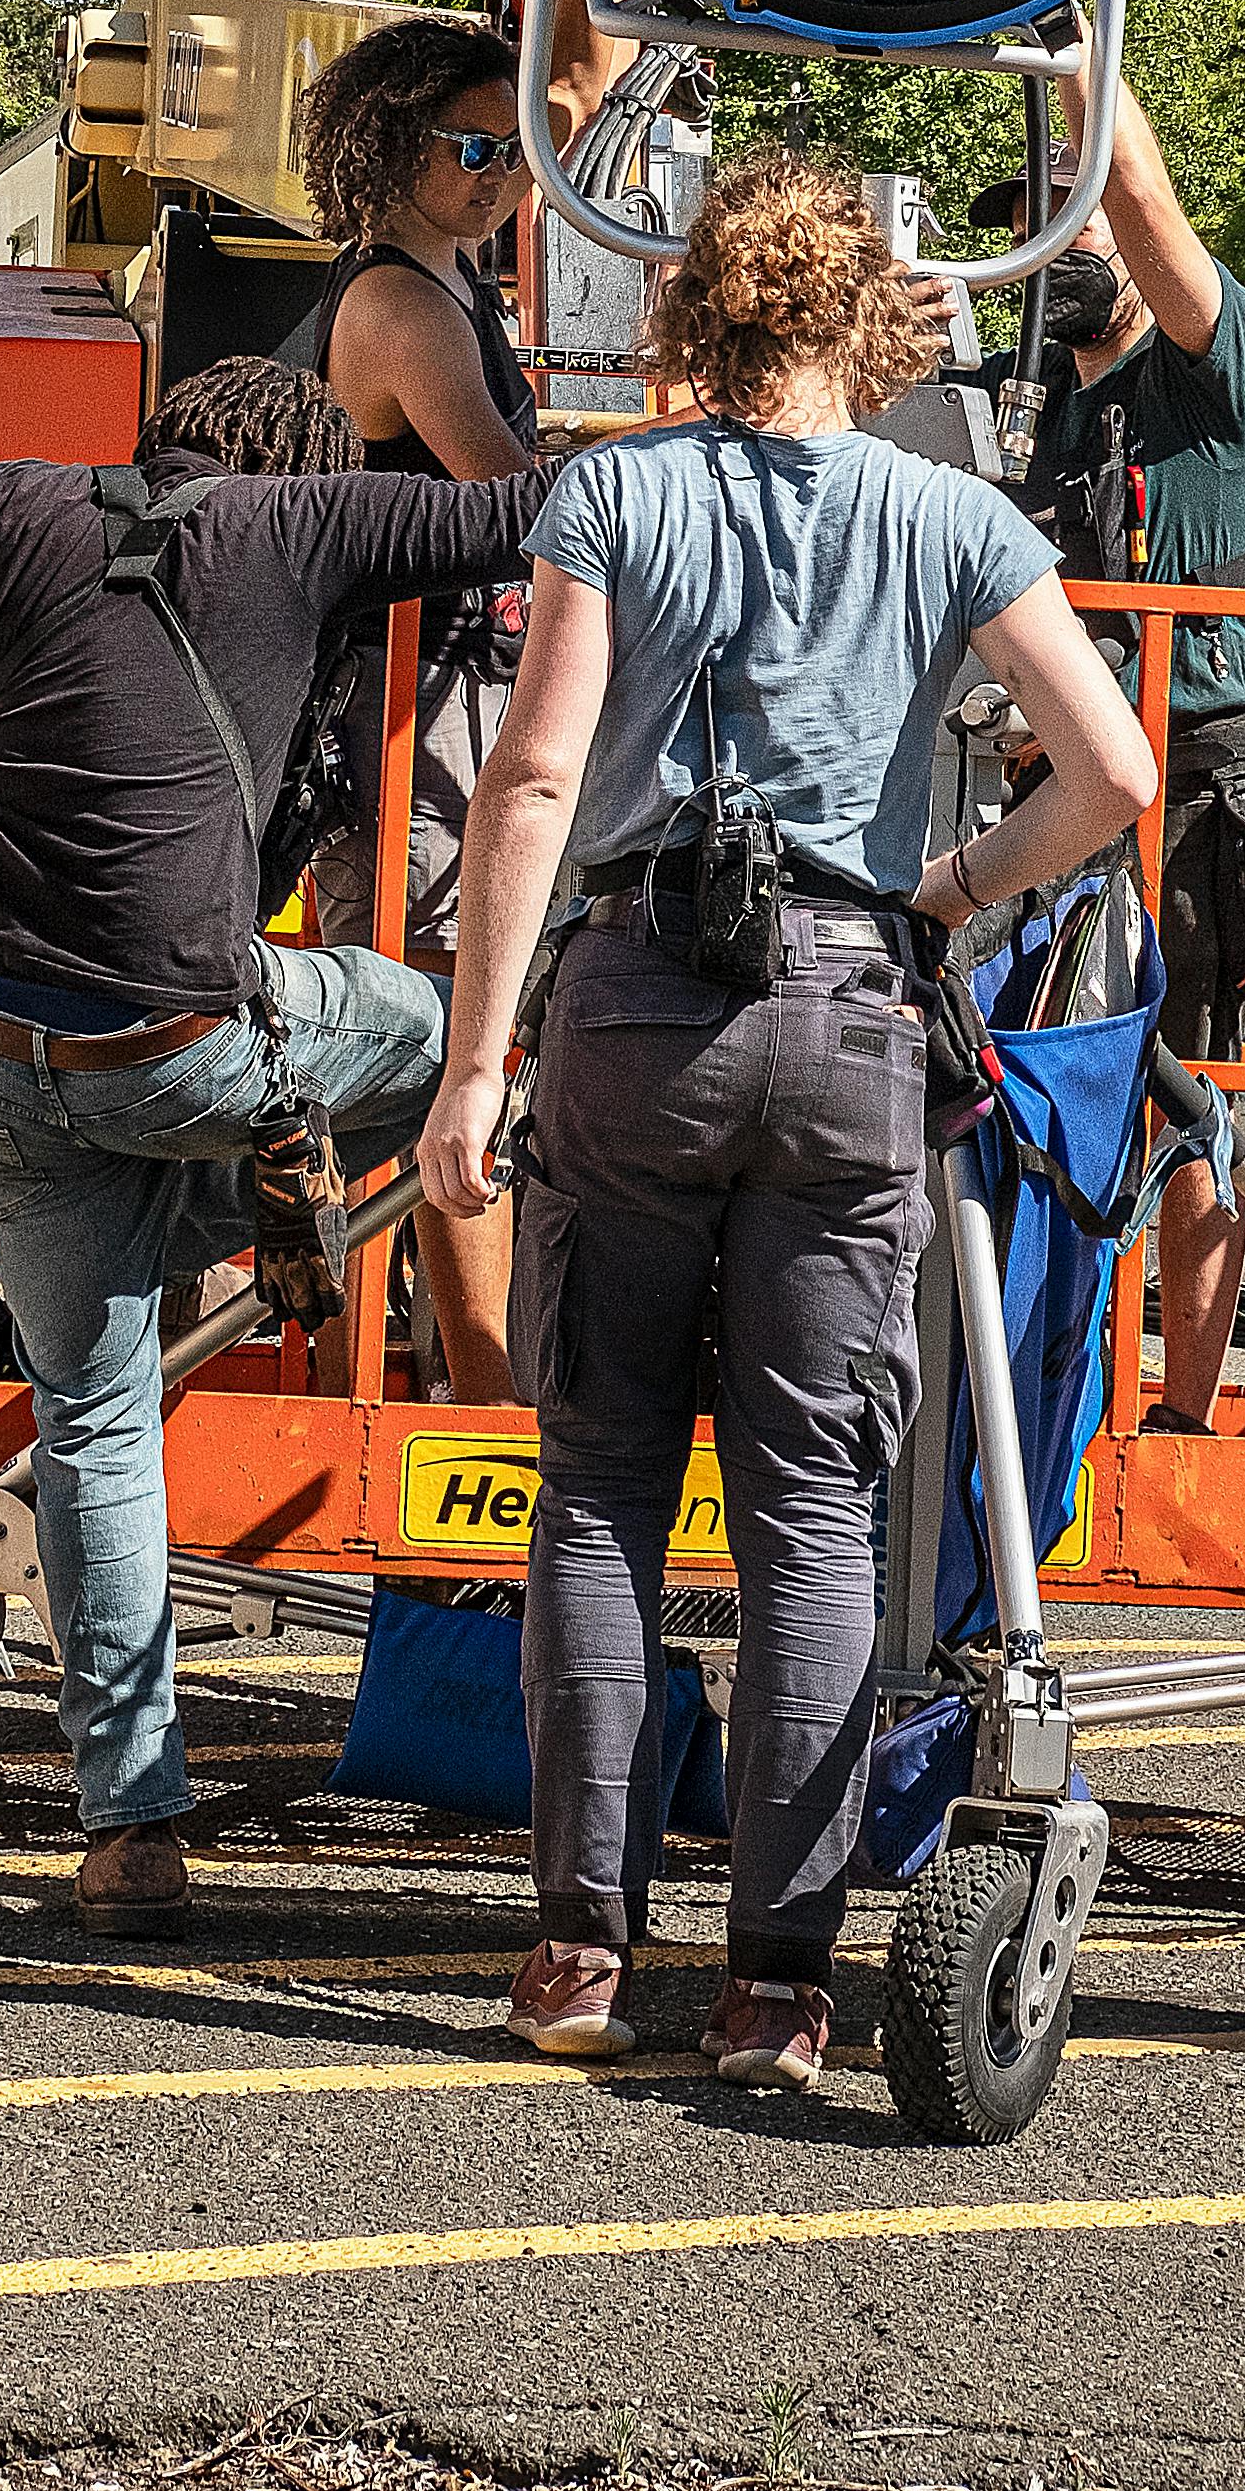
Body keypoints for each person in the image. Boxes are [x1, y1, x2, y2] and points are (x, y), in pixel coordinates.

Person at [421, 153, 1157, 2089]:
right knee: (812, 1506)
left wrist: (476, 1061)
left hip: (631, 1009)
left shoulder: (611, 494)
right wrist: (949, 893)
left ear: (696, 306)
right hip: (848, 1014)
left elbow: (532, 781)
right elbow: (1114, 769)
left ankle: (578, 1946)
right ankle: (777, 1980)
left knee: (598, 1479)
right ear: (867, 318)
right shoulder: (956, 514)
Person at [0, 355, 538, 1933]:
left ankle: (130, 1835)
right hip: (187, 1040)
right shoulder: (299, 524)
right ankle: (281, 1162)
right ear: (296, 467)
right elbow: (529, 510)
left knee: (94, 1419)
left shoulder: (10, 503)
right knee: (470, 1054)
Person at [293, 0, 587, 1393]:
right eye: (477, 150)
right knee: (440, 1037)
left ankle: (461, 1365)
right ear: (395, 148)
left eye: (511, 149)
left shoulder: (453, 272)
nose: (507, 174)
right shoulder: (401, 305)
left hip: (451, 700)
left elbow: (571, 96)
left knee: (469, 1030)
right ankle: (483, 1390)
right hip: (401, 719)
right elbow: (510, 494)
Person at [1005, 74, 1245, 1432]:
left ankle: (1181, 1411)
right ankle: (1036, 1382)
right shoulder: (1039, 409)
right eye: (1035, 232)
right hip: (1055, 775)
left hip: (1194, 771)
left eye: (1077, 225)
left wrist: (1078, 51)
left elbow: (1142, 194)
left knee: (1185, 1092)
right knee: (1033, 1080)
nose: (1056, 249)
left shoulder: (1207, 372)